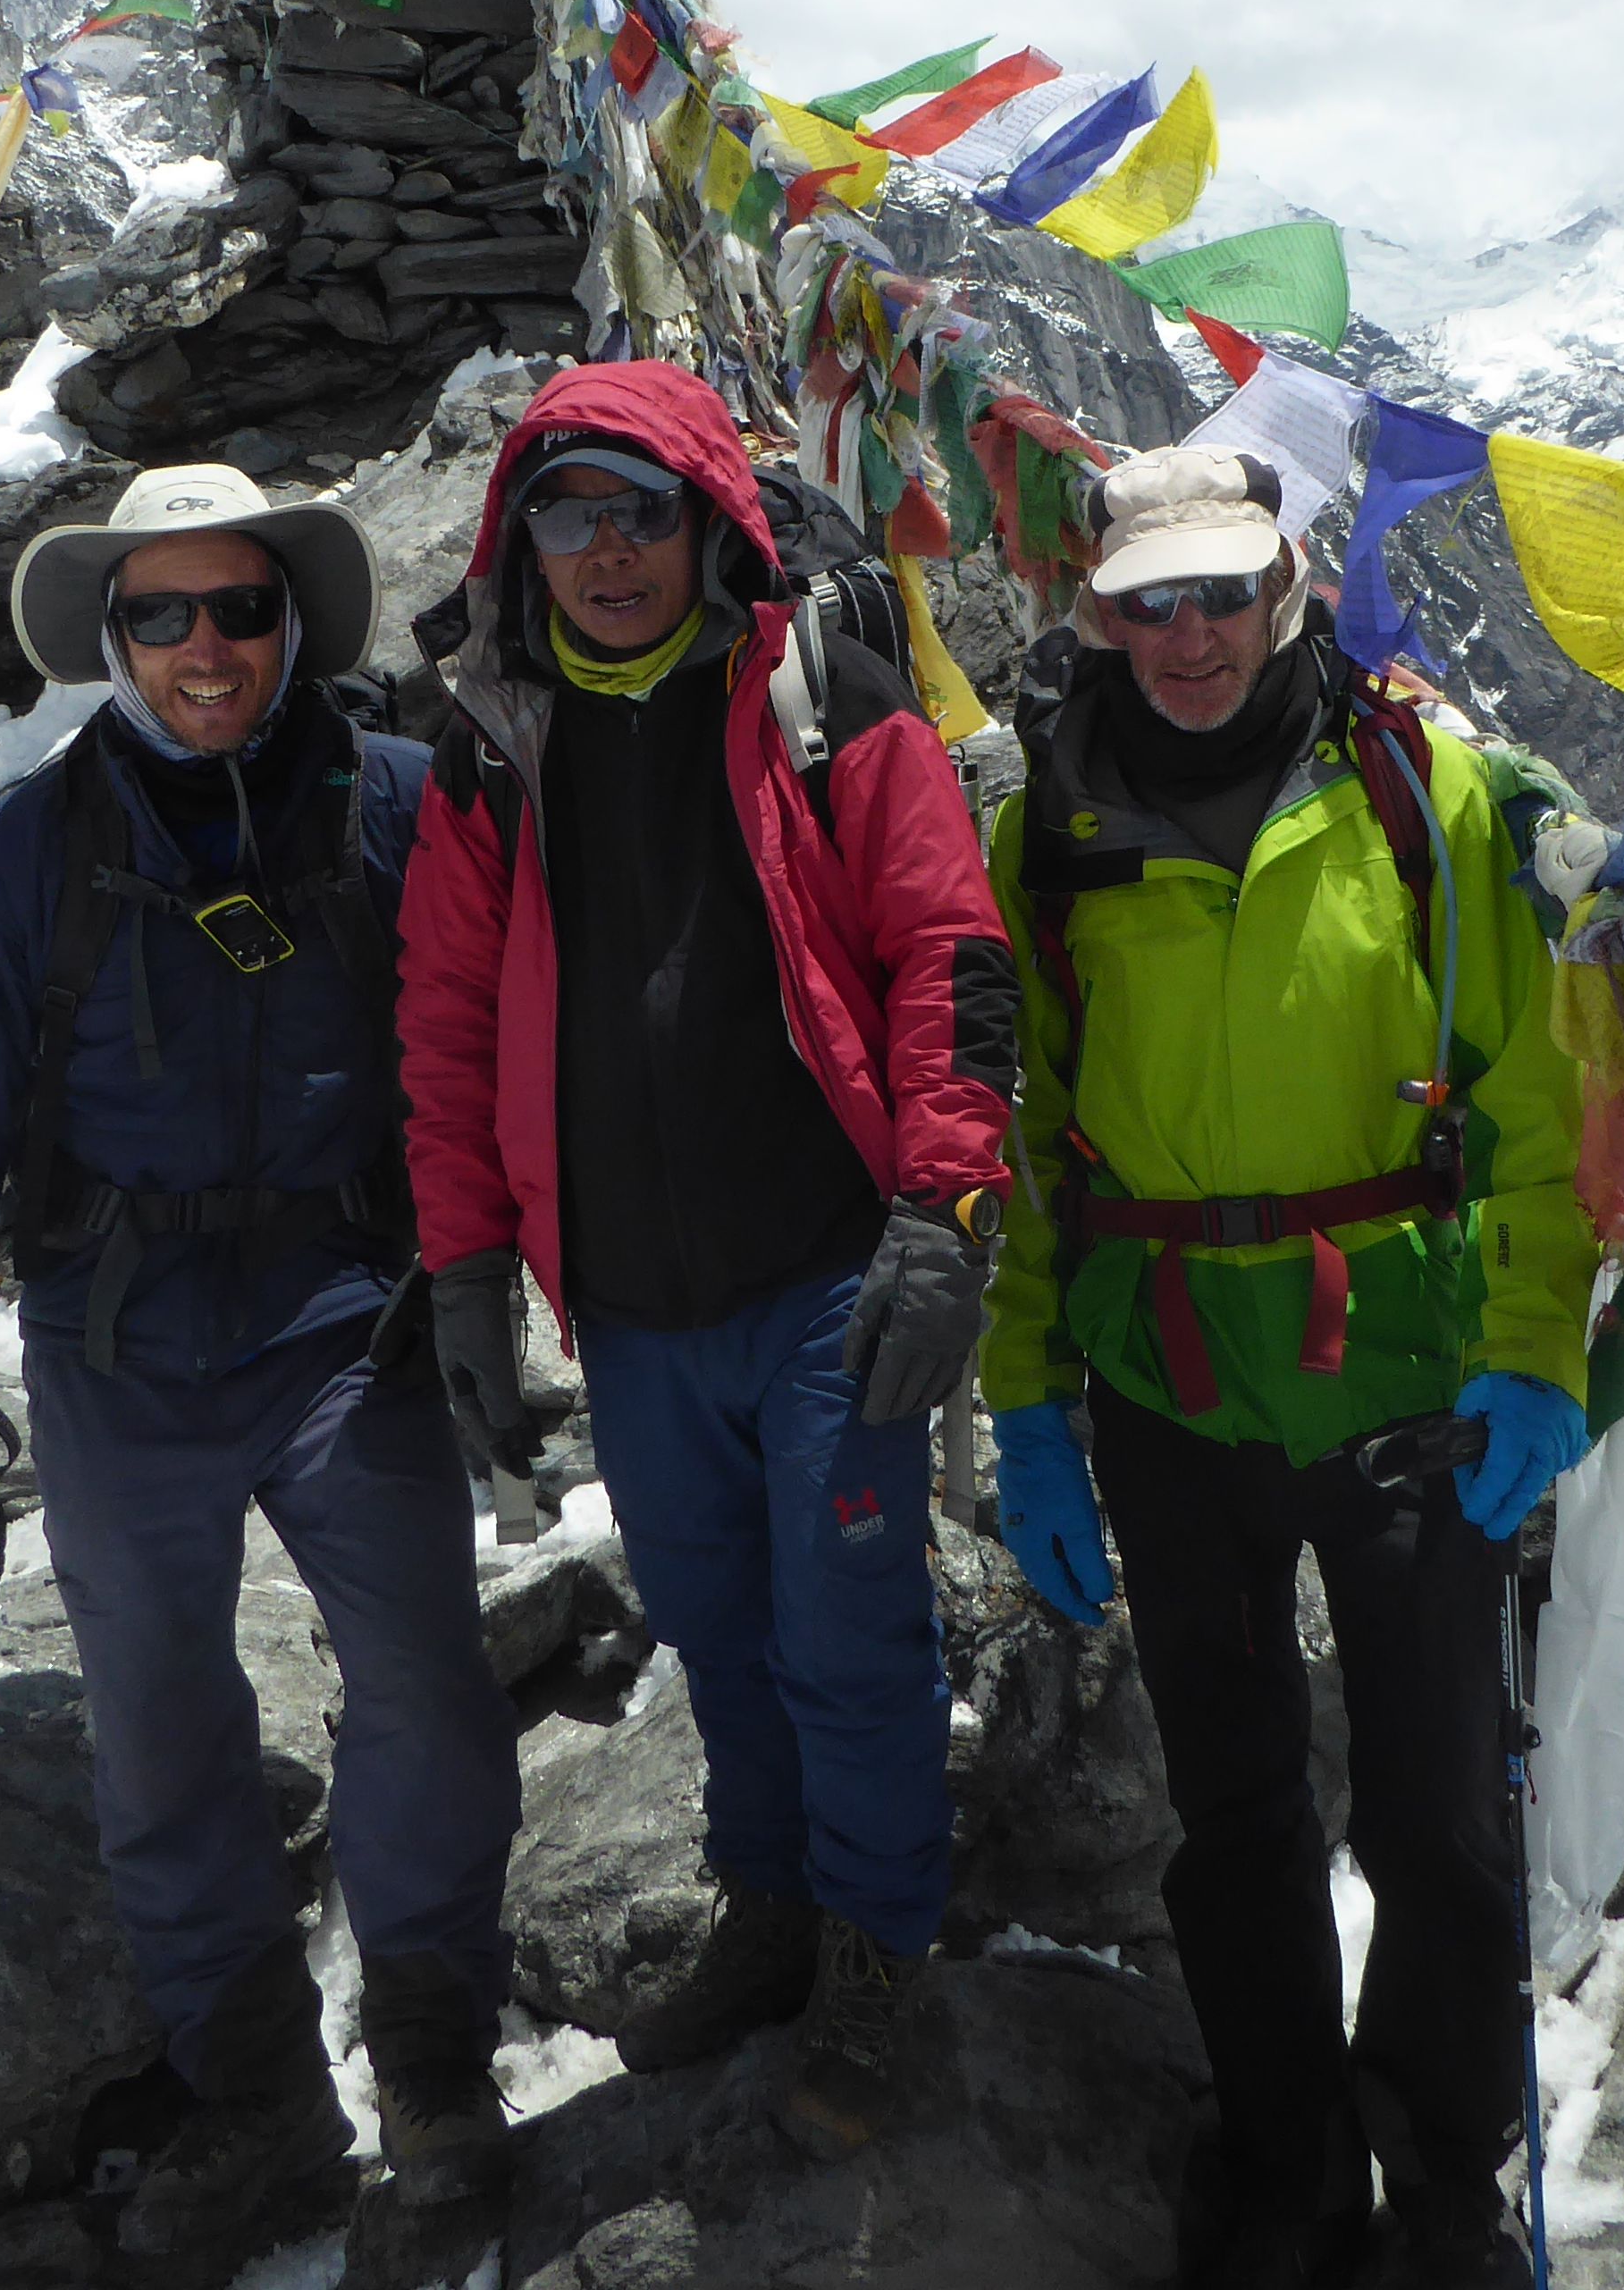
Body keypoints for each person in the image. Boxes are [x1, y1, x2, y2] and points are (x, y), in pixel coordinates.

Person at [0, 462, 522, 2261]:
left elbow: (494, 1043)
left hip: (343, 1325)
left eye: (239, 610)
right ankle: (259, 2095)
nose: (207, 647)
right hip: (113, 1350)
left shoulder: (396, 805)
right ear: (114, 636)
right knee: (159, 1733)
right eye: (164, 615)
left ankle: (436, 2062)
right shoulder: (27, 848)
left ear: (291, 621)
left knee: (426, 1688)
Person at [975, 447, 1593, 2290]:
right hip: (1166, 1391)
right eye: (1147, 602)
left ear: (1291, 590)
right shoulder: (1054, 828)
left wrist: (1536, 1344)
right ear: (1095, 613)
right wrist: (1024, 1401)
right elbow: (1029, 1130)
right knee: (1236, 1817)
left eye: (1221, 593)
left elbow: (1534, 1097)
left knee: (1439, 1825)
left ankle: (1441, 2176)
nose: (1187, 636)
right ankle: (1290, 2166)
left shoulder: (1427, 792)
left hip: (1407, 1377)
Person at [398, 360, 1017, 2161]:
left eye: (640, 511)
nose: (607, 552)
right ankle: (771, 1907)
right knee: (716, 1636)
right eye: (570, 515)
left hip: (830, 1268)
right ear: (525, 541)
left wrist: (944, 1211)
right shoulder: (491, 752)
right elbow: (444, 1022)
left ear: (704, 525)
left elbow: (947, 953)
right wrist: (466, 1273)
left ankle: (881, 1945)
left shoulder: (823, 703)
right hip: (636, 1307)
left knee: (847, 1637)